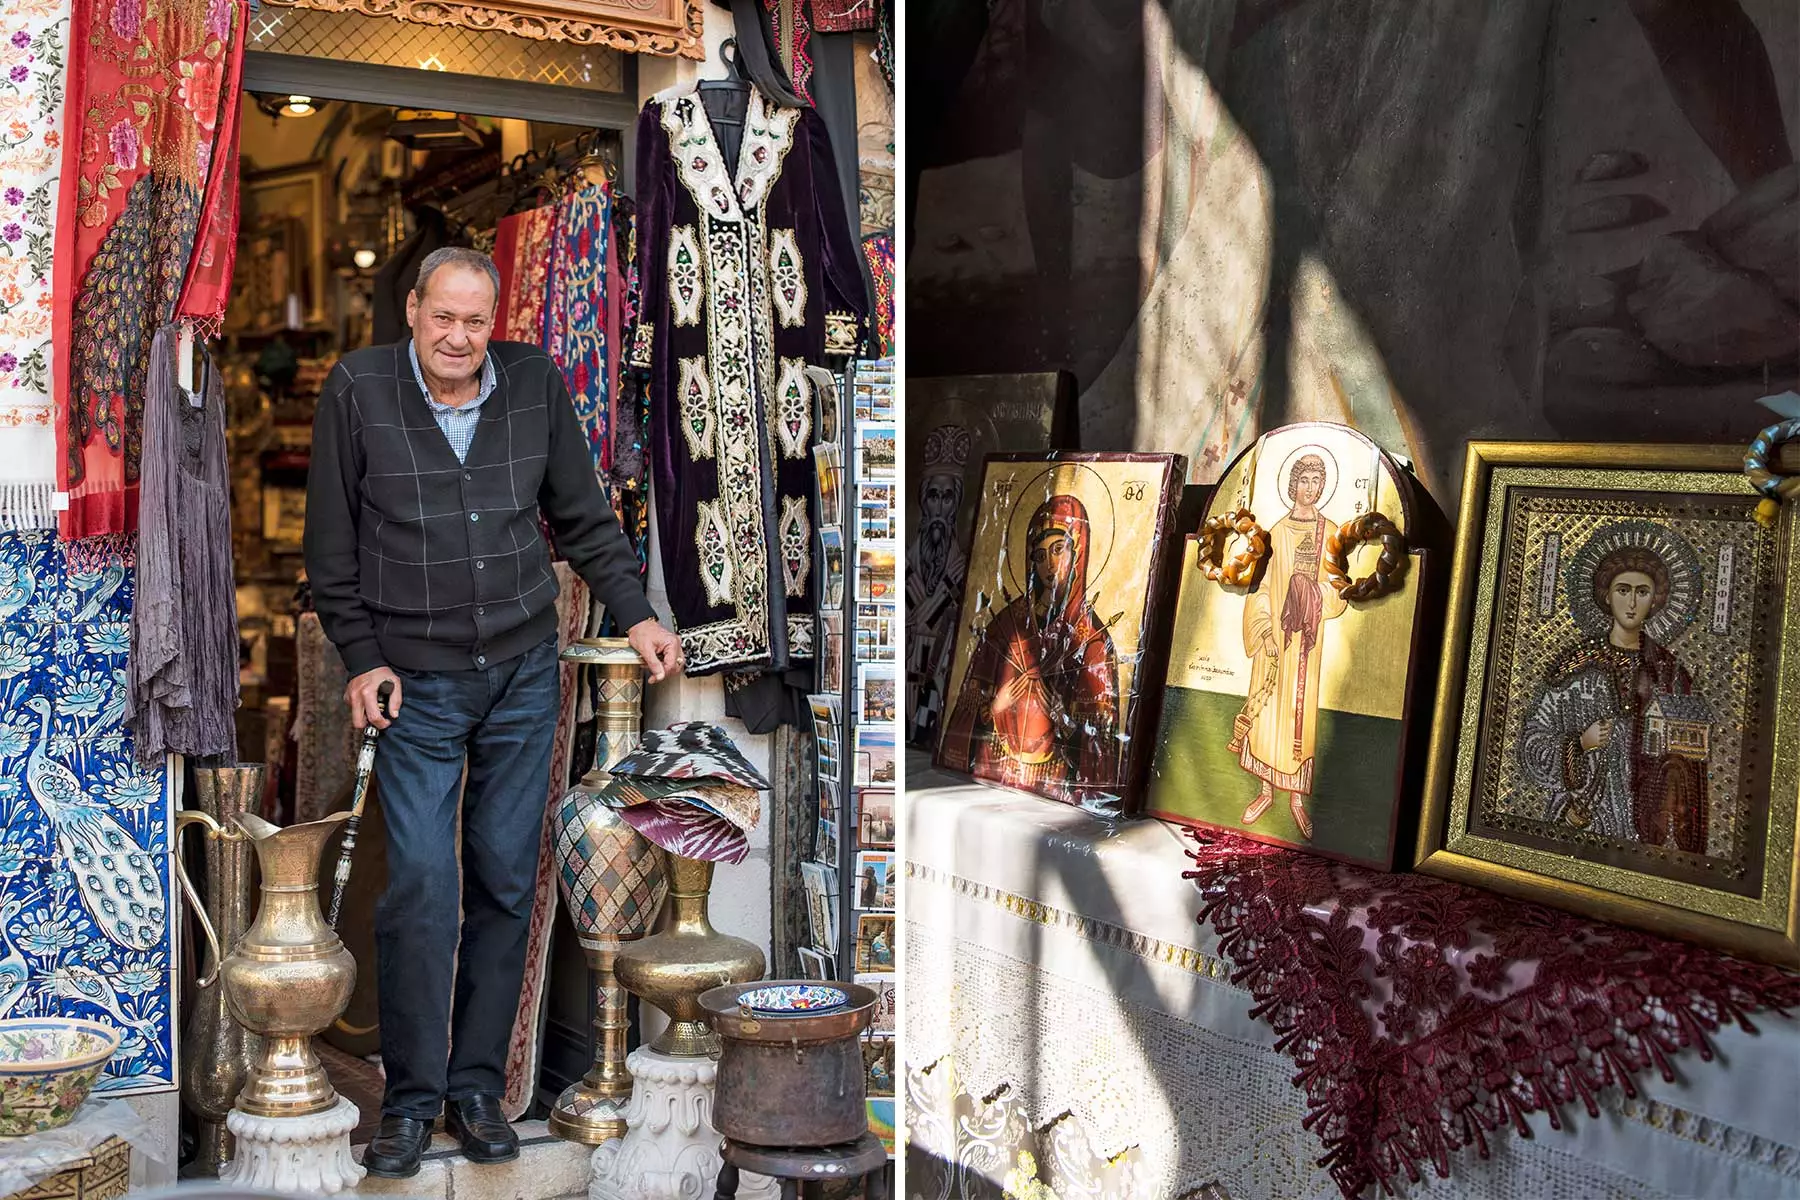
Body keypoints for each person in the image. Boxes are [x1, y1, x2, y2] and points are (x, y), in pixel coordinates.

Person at [304, 246, 683, 1178]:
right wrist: (363, 659)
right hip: (415, 682)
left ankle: (478, 1092)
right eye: (445, 319)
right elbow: (330, 551)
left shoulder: (531, 380)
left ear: (495, 319)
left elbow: (584, 515)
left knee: (509, 880)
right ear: (415, 310)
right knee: (424, 888)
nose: (461, 339)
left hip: (521, 671)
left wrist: (636, 614)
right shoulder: (357, 390)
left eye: (477, 322)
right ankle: (409, 1099)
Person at [1521, 545, 1710, 852]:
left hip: (1647, 822)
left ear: (1655, 600)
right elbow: (1532, 743)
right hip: (1583, 814)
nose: (1632, 602)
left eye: (1642, 592)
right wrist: (1579, 743)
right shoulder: (1574, 668)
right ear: (1607, 596)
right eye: (1623, 590)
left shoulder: (1671, 673)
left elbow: (1691, 761)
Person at [940, 492, 1121, 803]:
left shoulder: (1091, 637)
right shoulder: (1007, 625)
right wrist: (997, 705)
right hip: (994, 770)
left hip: (1055, 782)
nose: (1049, 565)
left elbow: (1100, 740)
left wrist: (1063, 717)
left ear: (1079, 552)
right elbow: (970, 708)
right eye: (1039, 556)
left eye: (1059, 550)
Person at [1234, 454, 1347, 841]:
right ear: (1292, 484)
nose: (1311, 488)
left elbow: (1338, 589)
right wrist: (1264, 629)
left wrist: (1312, 593)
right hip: (1275, 642)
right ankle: (1265, 791)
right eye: (1305, 480)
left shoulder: (1329, 532)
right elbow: (1261, 588)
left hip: (1306, 646)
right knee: (1268, 717)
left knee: (1300, 719)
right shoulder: (1276, 532)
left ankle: (1297, 799)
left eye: (1318, 480)